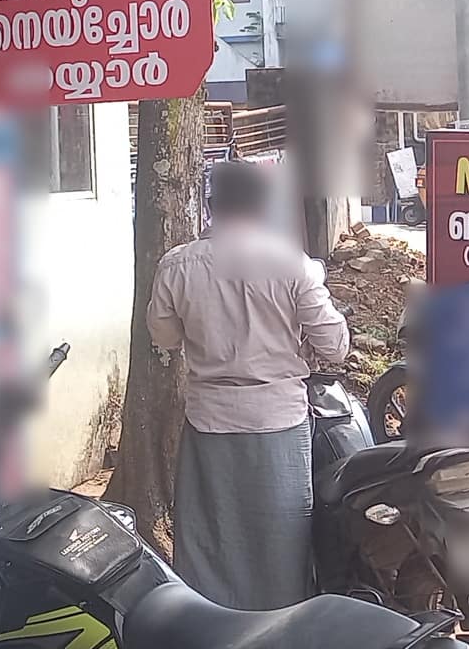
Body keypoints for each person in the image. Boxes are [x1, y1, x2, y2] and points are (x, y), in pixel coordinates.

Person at [146, 159, 349, 611]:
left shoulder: (178, 265)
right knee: (282, 537)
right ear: (262, 206)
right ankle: (283, 625)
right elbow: (335, 346)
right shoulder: (292, 263)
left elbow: (163, 336)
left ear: (212, 205)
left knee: (211, 537)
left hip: (209, 419)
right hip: (278, 418)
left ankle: (212, 625)